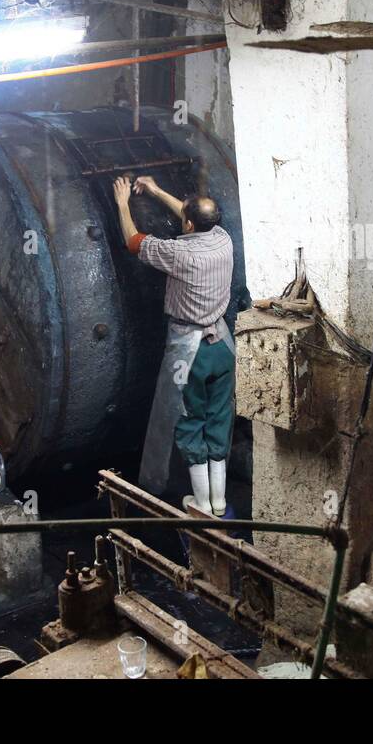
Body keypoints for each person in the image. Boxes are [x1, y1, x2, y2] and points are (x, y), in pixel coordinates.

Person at [112, 175, 235, 516]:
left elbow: (134, 242)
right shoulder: (223, 239)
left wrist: (123, 203)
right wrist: (155, 191)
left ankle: (201, 504)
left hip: (191, 351)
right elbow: (190, 211)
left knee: (190, 419)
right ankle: (219, 502)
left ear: (190, 224)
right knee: (218, 417)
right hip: (223, 346)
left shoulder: (181, 253)